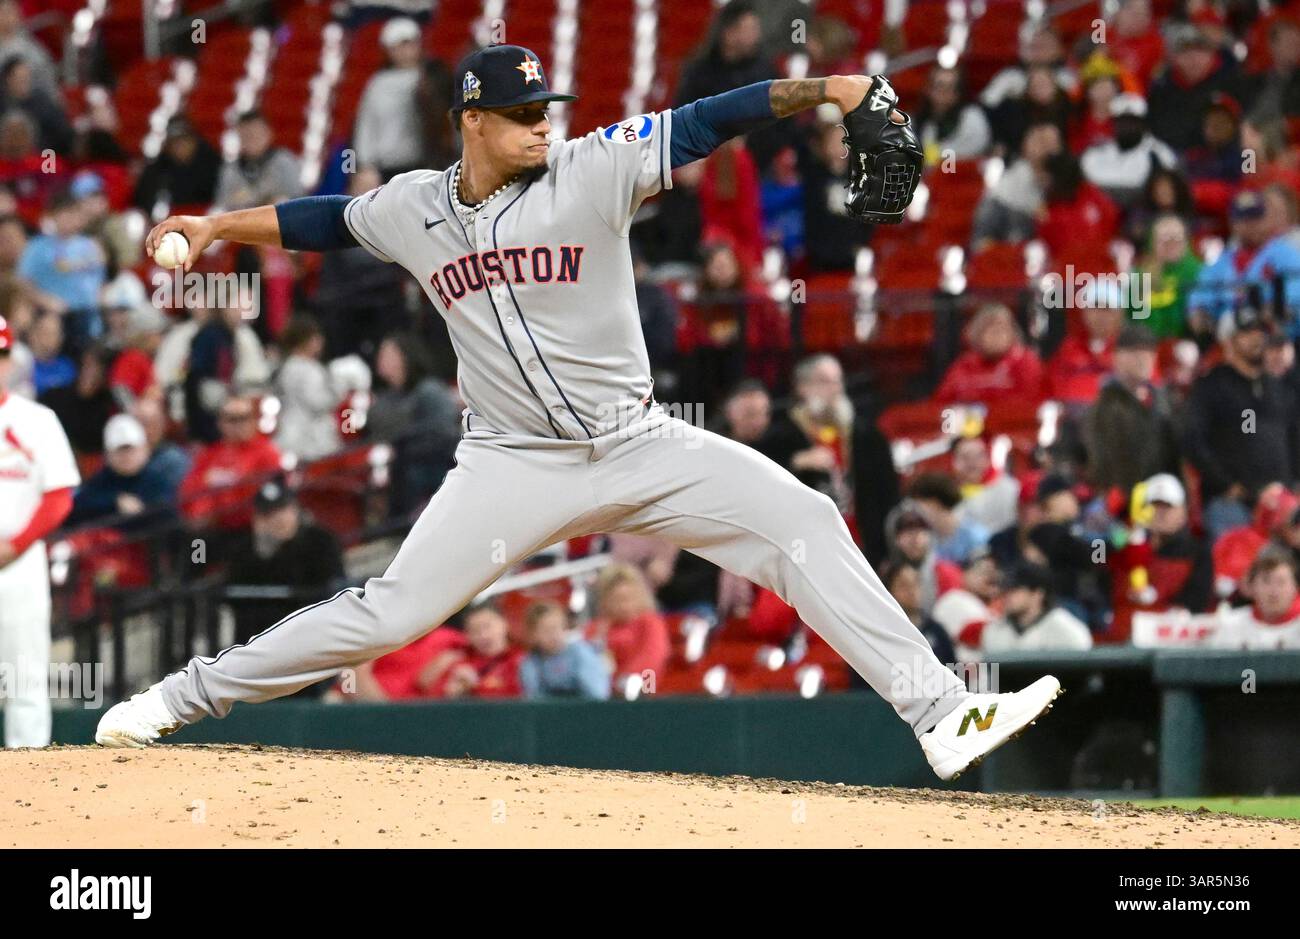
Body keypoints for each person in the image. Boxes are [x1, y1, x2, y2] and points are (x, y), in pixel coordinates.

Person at [102, 46, 1060, 783]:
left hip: (639, 442)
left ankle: (940, 714)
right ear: (471, 122)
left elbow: (710, 119)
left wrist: (836, 89)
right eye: (519, 115)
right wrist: (217, 224)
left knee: (804, 520)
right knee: (388, 614)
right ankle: (177, 699)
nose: (540, 127)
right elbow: (321, 221)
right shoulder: (410, 208)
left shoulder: (592, 168)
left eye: (544, 110)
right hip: (512, 464)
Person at [0, 313, 78, 747]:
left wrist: (15, 544)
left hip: (19, 565)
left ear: (10, 360)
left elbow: (59, 496)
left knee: (25, 681)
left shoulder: (36, 420)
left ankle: (25, 798)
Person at [1182, 305, 1300, 538]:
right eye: (1246, 333)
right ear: (1227, 341)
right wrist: (1226, 485)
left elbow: (1294, 435)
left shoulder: (1277, 386)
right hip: (1232, 504)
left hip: (1282, 501)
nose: (1257, 338)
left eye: (1260, 332)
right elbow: (1192, 441)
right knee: (1237, 567)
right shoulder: (1211, 385)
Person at [224, 475, 346, 647]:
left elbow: (330, 588)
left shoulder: (320, 541)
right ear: (258, 519)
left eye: (283, 510)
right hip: (257, 642)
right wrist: (265, 551)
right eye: (269, 514)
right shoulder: (245, 549)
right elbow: (233, 594)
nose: (279, 519)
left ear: (295, 509)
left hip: (309, 638)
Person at [1188, 188, 1300, 340]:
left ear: (1267, 220)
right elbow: (1200, 295)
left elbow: (1292, 300)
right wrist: (1199, 312)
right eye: (1243, 220)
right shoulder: (1222, 260)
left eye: (1256, 218)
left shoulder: (1286, 254)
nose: (1250, 226)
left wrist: (1269, 311)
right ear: (1233, 224)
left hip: (1278, 338)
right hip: (1229, 335)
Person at [1082, 324, 1180, 494]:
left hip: (1162, 497)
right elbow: (1107, 463)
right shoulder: (1105, 406)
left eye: (1149, 352)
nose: (1143, 359)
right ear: (1117, 357)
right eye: (1135, 352)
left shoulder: (1164, 399)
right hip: (1124, 500)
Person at [177, 395, 284, 533]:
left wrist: (234, 483)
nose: (239, 425)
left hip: (249, 530)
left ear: (254, 420)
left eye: (244, 418)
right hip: (210, 531)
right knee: (195, 546)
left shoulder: (267, 453)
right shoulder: (209, 455)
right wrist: (207, 480)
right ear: (220, 423)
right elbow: (185, 492)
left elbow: (273, 494)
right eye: (232, 419)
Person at [67, 414, 177, 531]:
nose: (126, 457)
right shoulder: (99, 483)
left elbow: (168, 516)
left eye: (131, 450)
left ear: (145, 449)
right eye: (120, 451)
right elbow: (76, 510)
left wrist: (141, 511)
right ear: (107, 455)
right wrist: (113, 503)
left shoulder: (158, 481)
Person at [354, 18, 426, 179]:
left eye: (407, 43)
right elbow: (366, 125)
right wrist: (365, 165)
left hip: (422, 165)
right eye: (397, 46)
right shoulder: (378, 84)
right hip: (386, 168)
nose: (404, 50)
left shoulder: (430, 79)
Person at [934, 303, 1045, 408]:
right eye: (990, 330)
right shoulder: (964, 365)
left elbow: (1033, 403)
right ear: (977, 335)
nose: (996, 336)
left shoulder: (1026, 362)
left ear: (1013, 333)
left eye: (1002, 330)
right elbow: (941, 404)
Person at [1078, 94, 1177, 208]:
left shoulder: (1159, 154)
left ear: (1143, 123)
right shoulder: (1095, 152)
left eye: (1132, 121)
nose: (1126, 126)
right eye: (1121, 121)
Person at [584, 563, 670, 690]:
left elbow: (653, 656)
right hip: (603, 691)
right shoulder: (595, 628)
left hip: (643, 689)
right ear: (605, 601)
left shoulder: (650, 623)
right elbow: (588, 660)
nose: (624, 606)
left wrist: (627, 679)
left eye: (629, 599)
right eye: (618, 600)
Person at [981, 562, 1093, 652]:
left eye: (1015, 589)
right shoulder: (994, 630)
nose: (1008, 595)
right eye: (1006, 589)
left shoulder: (1068, 630)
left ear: (1037, 594)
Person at [273, 315, 340, 461]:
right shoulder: (309, 369)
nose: (320, 342)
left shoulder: (286, 367)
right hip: (312, 438)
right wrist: (338, 392)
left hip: (289, 431)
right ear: (305, 340)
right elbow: (318, 402)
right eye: (316, 338)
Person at [519, 601, 611, 700]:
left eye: (557, 628)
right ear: (533, 635)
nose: (553, 635)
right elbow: (533, 699)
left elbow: (597, 694)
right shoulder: (531, 663)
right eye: (546, 630)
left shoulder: (581, 653)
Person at [132, 116, 222, 216]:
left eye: (184, 140)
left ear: (194, 141)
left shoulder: (213, 164)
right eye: (175, 143)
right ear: (167, 146)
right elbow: (142, 203)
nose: (180, 146)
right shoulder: (156, 170)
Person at [1213, 548, 1300, 649]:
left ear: (1296, 588)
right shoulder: (1231, 624)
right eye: (1266, 581)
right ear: (1251, 586)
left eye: (1281, 582)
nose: (1274, 591)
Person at [214, 110, 301, 210]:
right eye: (245, 136)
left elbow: (297, 199)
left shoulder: (284, 161)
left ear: (268, 133)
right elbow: (223, 205)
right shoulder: (230, 170)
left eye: (256, 134)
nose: (251, 139)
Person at [906, 472, 990, 565]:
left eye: (919, 506)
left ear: (934, 503)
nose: (916, 512)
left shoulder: (974, 535)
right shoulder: (930, 540)